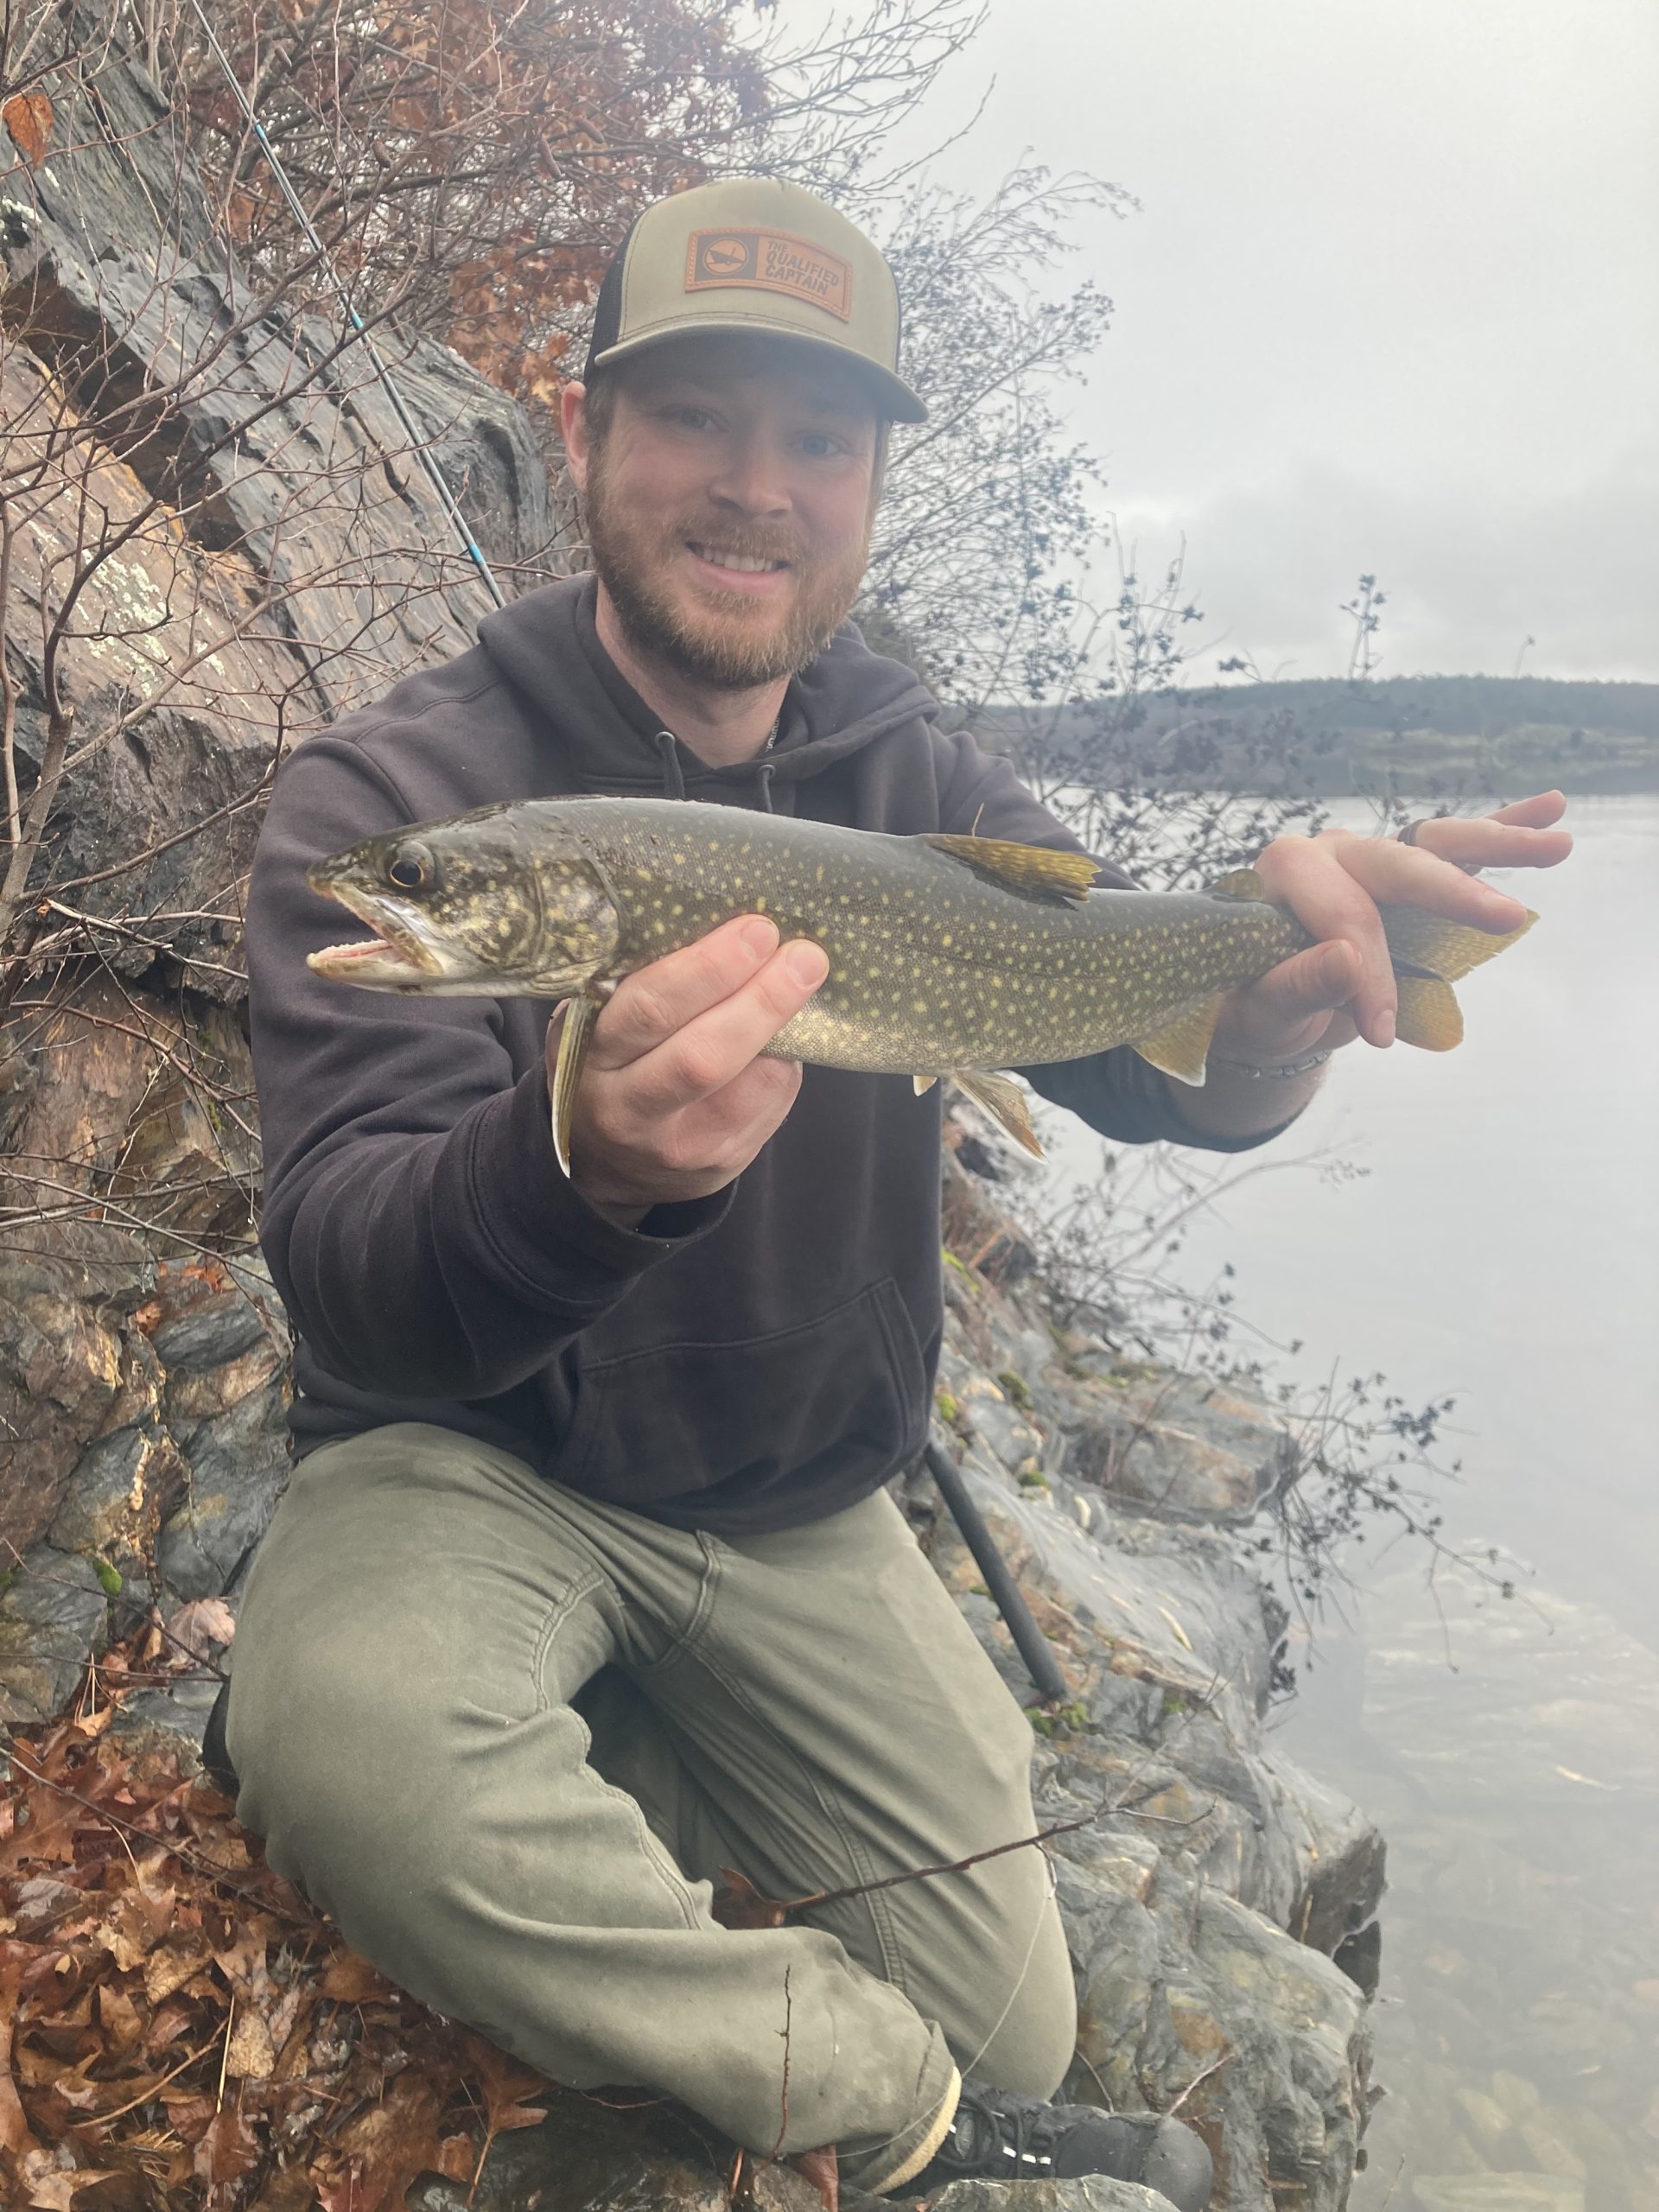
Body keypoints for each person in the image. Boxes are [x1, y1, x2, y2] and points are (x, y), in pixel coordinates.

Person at [219, 177, 1571, 2205]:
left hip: (793, 1500)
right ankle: (899, 2105)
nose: (757, 486)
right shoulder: (397, 799)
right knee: (344, 1739)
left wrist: (1276, 995)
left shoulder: (917, 768)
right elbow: (349, 1273)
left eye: (820, 438)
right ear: (584, 431)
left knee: (1019, 2001)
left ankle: (622, 1779)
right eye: (697, 416)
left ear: (870, 488)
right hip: (469, 1459)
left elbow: (1138, 1056)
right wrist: (581, 1176)